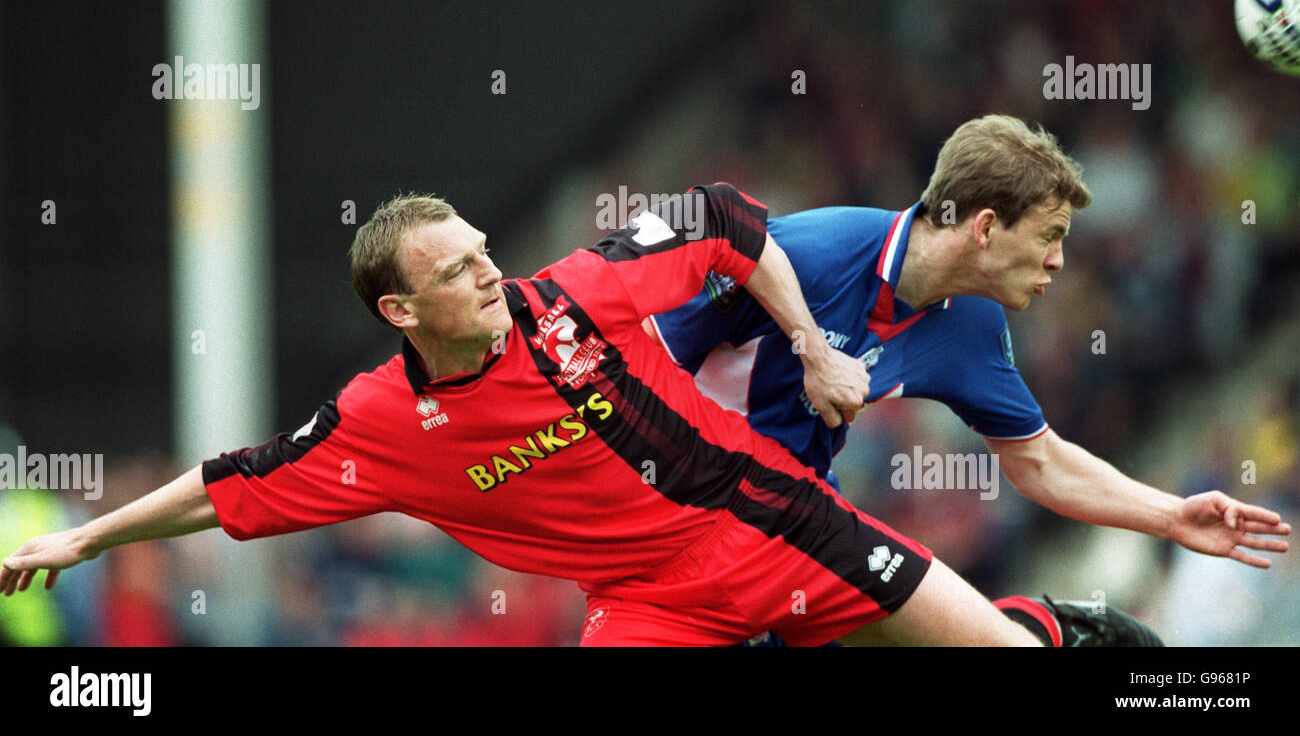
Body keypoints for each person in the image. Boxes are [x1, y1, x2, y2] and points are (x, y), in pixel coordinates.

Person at [5, 181, 1073, 646]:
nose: (488, 270)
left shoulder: (575, 294)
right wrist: (89, 535)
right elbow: (235, 479)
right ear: (399, 307)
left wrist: (807, 343)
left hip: (773, 523)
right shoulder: (378, 421)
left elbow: (723, 218)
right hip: (646, 602)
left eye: (481, 248)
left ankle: (1079, 631)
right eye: (458, 267)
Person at [646, 116, 1291, 644]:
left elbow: (1040, 463)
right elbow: (647, 358)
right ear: (985, 227)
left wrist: (1173, 516)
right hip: (685, 524)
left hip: (796, 531)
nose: (1060, 261)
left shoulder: (972, 325)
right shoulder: (814, 252)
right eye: (1050, 236)